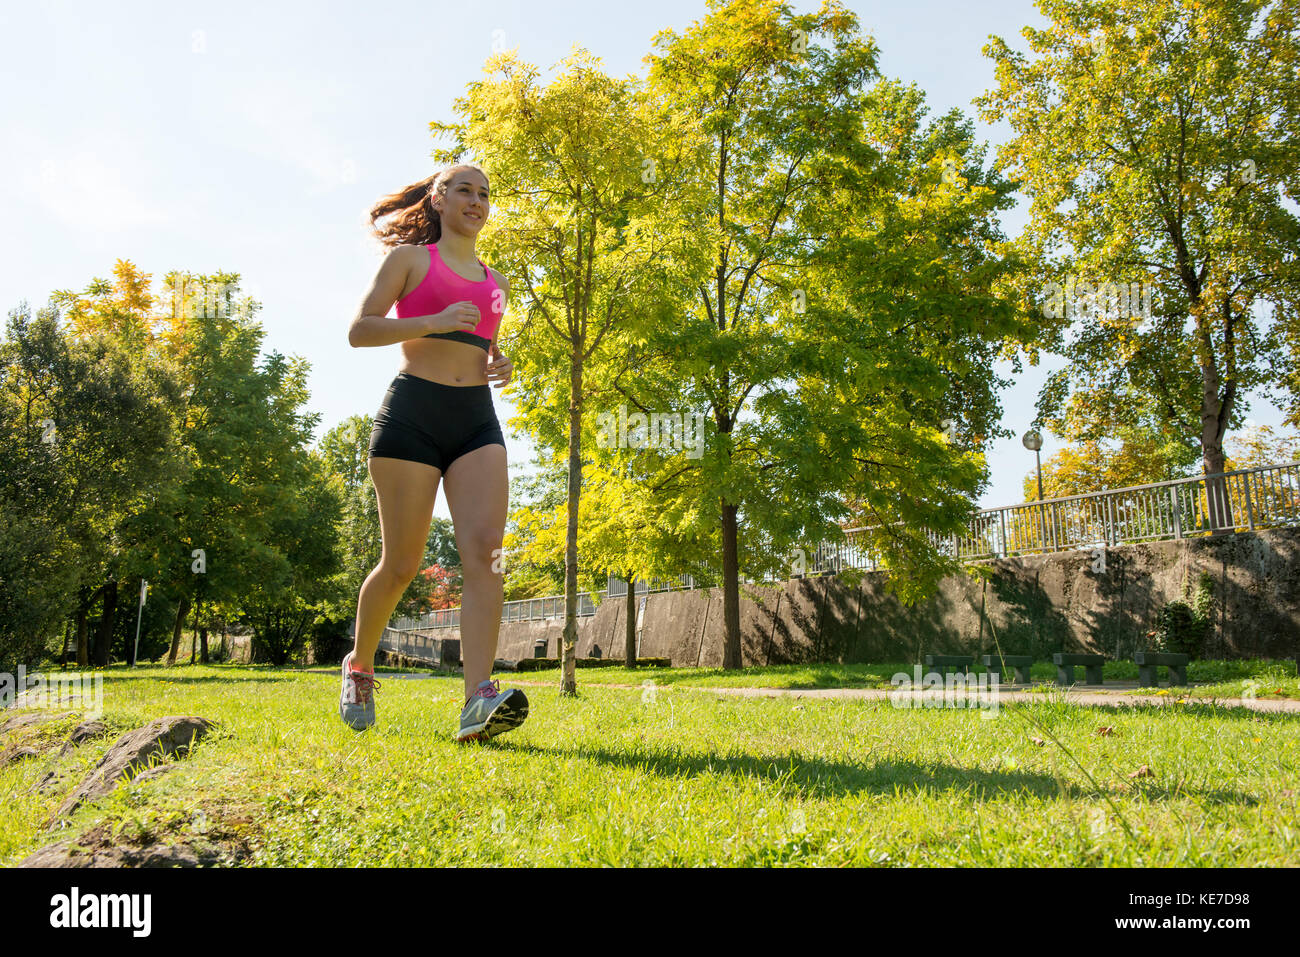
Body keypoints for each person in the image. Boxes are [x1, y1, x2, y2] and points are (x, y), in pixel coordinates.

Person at [339, 163, 528, 743]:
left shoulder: (495, 282)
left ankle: (478, 699)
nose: (477, 200)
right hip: (413, 416)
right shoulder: (410, 261)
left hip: (475, 421)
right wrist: (435, 319)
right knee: (401, 565)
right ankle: (359, 666)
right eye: (465, 190)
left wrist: (500, 363)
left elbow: (480, 346)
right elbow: (361, 330)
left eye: (485, 194)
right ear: (440, 200)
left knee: (486, 553)